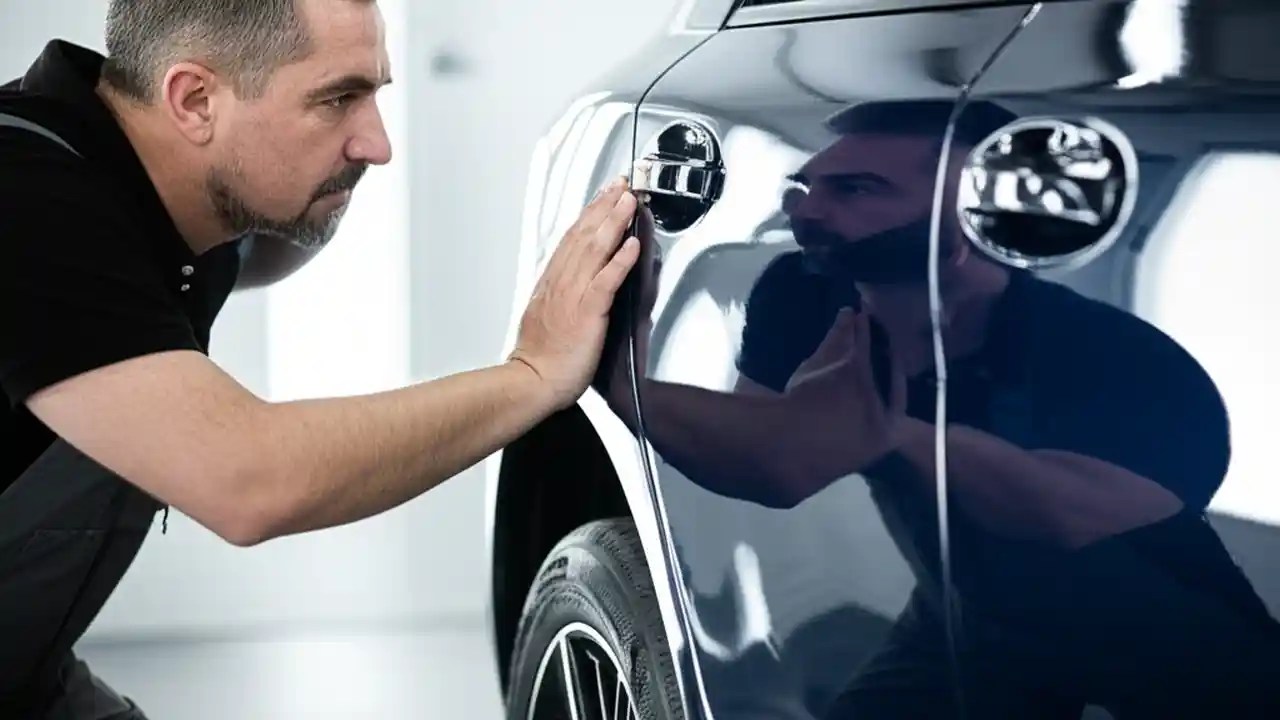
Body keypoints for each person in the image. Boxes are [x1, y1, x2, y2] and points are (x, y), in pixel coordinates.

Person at [0, 1, 640, 717]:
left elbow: (272, 241)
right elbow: (250, 478)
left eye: (374, 94)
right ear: (194, 100)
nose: (377, 144)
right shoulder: (27, 198)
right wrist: (532, 373)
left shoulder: (155, 187)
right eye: (337, 99)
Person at [606, 99, 1280, 718]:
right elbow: (773, 464)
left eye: (856, 190)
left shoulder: (1114, 357)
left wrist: (896, 436)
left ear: (969, 212)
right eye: (805, 188)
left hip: (1167, 634)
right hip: (963, 619)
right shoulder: (804, 294)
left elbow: (1076, 517)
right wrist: (622, 380)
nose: (806, 212)